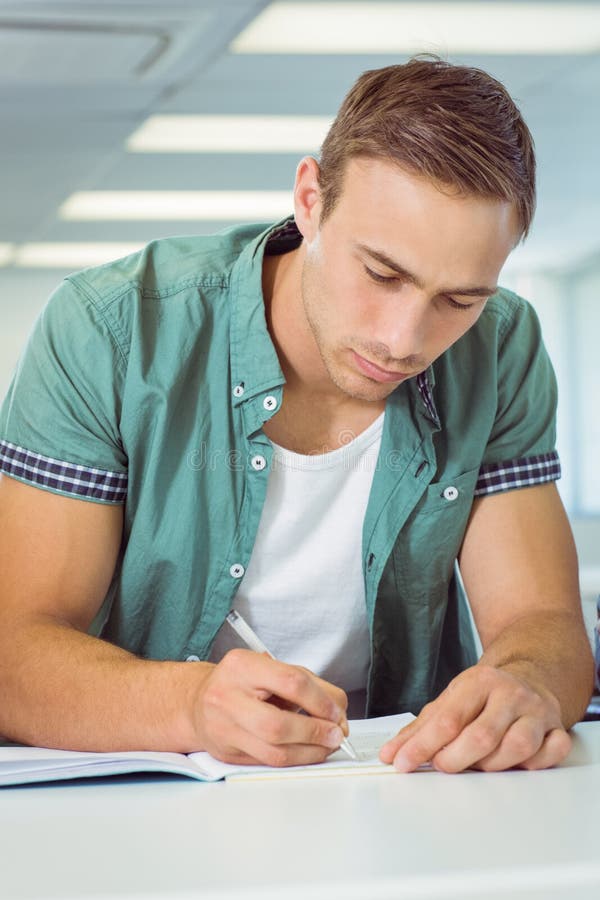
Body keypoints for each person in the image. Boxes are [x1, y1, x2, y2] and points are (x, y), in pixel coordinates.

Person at [0, 57, 594, 773]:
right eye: (381, 274)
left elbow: (544, 626)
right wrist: (189, 704)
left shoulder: (502, 345)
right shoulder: (110, 329)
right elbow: (14, 654)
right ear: (310, 200)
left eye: (459, 300)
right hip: (149, 785)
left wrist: (528, 685)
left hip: (389, 788)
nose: (404, 341)